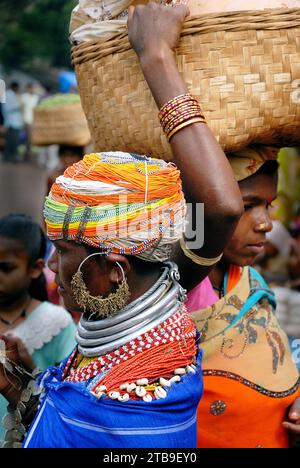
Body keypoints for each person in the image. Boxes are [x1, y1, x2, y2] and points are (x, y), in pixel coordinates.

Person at [0, 3, 243, 448]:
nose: (52, 267)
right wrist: (21, 385)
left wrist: (156, 57)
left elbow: (223, 209)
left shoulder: (134, 413)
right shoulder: (162, 289)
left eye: (63, 251)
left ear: (115, 268)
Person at [179, 146, 300, 448]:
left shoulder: (250, 281)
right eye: (247, 206)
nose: (266, 224)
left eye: (268, 205)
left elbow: (280, 355)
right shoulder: (183, 285)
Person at [0, 214, 77, 443]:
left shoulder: (55, 323)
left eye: (6, 268)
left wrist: (28, 371)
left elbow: (69, 395)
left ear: (35, 269)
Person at [2, 82, 23, 163]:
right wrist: (19, 106)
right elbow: (7, 108)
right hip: (12, 122)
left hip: (15, 122)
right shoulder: (8, 95)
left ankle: (10, 156)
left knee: (13, 140)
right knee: (12, 141)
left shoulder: (13, 95)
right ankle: (9, 157)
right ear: (15, 87)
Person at [20, 84, 39, 162]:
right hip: (26, 120)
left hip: (33, 121)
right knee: (29, 138)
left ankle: (27, 155)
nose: (32, 90)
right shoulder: (24, 97)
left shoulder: (36, 97)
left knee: (29, 139)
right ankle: (27, 155)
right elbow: (21, 108)